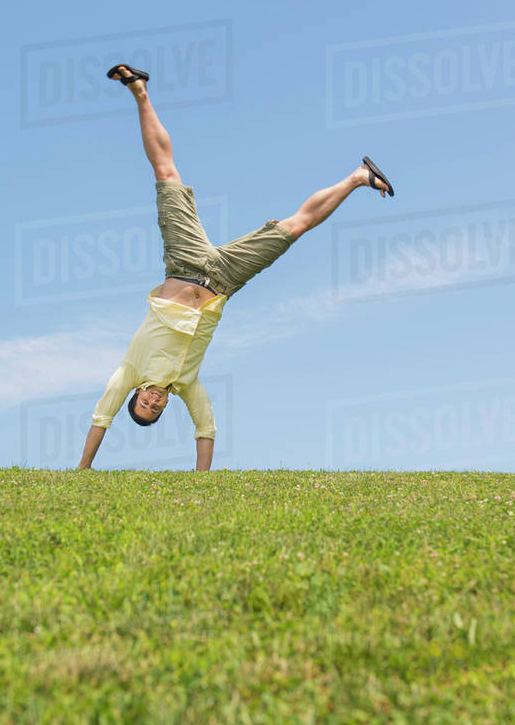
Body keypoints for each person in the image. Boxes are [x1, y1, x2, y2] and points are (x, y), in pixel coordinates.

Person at [77, 63, 394, 472]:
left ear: (135, 394)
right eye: (156, 409)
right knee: (292, 228)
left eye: (144, 403)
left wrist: (83, 472)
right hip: (224, 278)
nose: (153, 402)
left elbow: (100, 418)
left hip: (184, 263)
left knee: (166, 174)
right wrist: (202, 485)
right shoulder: (187, 387)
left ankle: (139, 91)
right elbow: (206, 429)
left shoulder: (129, 371)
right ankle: (358, 178)